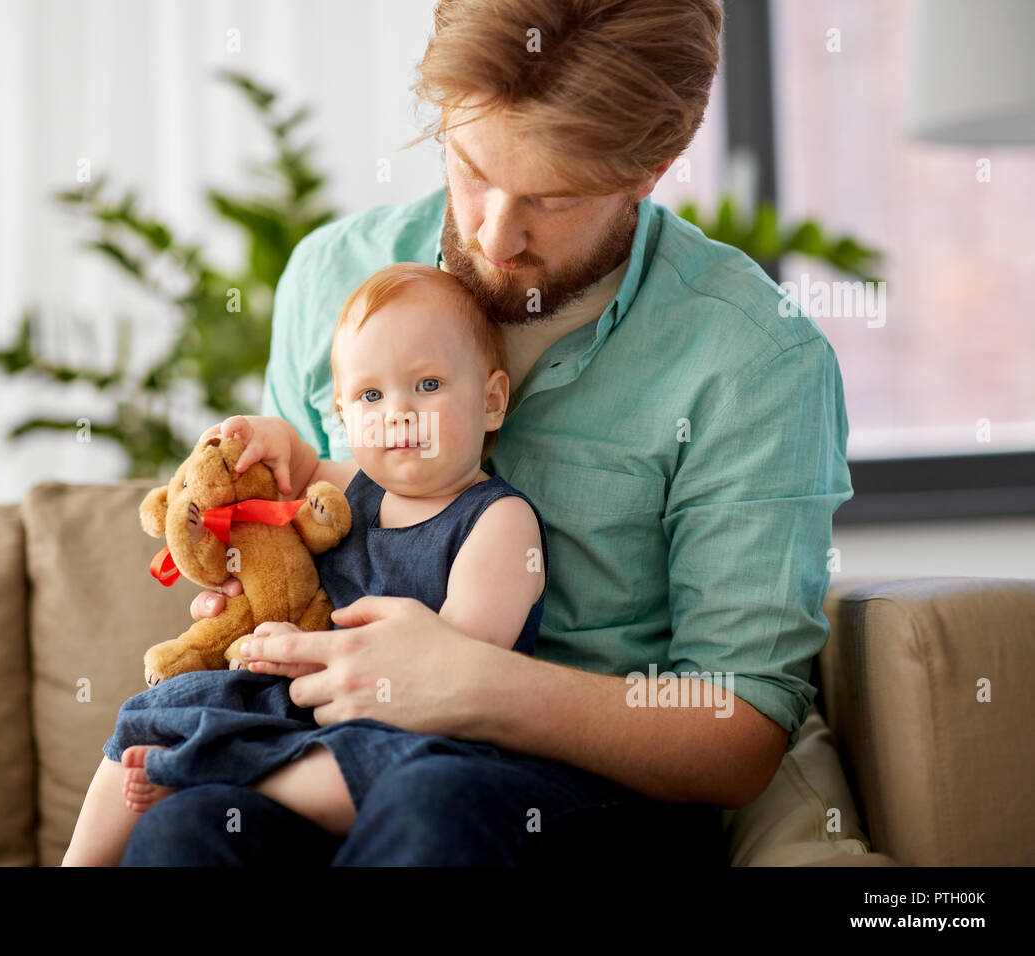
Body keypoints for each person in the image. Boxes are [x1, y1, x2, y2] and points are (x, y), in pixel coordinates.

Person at [119, 0, 852, 866]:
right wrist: (250, 563)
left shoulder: (755, 360)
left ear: (652, 168)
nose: (494, 235)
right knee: (185, 832)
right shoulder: (331, 278)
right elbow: (294, 558)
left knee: (435, 806)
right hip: (322, 751)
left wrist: (479, 687)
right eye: (470, 169)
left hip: (580, 798)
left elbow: (738, 735)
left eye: (552, 197)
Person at [66, 263, 636, 866]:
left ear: (492, 401)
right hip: (299, 713)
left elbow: (460, 668)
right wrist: (264, 437)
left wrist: (309, 648)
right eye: (371, 395)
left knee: (377, 774)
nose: (398, 412)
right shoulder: (351, 488)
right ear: (344, 414)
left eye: (429, 385)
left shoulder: (496, 521)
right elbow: (294, 467)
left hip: (413, 730)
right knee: (156, 711)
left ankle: (224, 771)